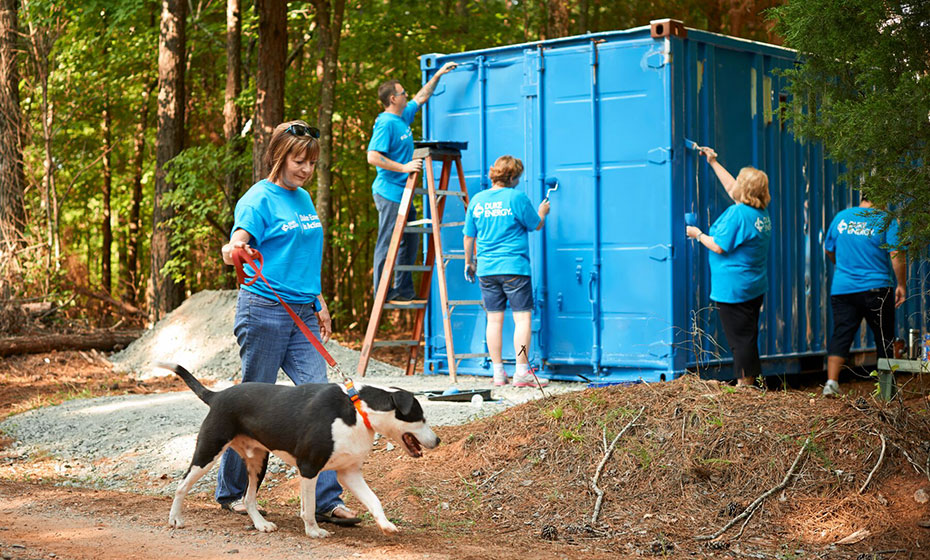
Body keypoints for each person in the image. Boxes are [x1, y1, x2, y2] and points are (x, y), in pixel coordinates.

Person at [218, 120, 359, 526]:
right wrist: (235, 249)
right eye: (299, 161)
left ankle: (326, 500)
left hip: (303, 313)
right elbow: (237, 245)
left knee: (325, 401)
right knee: (248, 406)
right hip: (263, 311)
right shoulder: (258, 199)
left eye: (311, 163)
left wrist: (319, 300)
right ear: (279, 156)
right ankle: (232, 492)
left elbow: (306, 259)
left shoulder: (304, 199)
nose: (305, 170)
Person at [366, 61, 457, 301]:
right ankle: (382, 292)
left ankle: (403, 289)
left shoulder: (402, 116)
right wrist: (403, 166)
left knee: (410, 240)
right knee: (388, 242)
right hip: (389, 193)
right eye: (403, 93)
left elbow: (421, 96)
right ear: (393, 99)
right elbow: (373, 156)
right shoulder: (386, 123)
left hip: (404, 192)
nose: (407, 95)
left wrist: (437, 75)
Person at [686, 147, 772, 388]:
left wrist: (698, 234)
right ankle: (751, 382)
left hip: (734, 289)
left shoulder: (738, 214)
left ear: (745, 189)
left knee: (739, 338)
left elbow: (720, 246)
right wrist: (713, 162)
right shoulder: (758, 213)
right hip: (752, 286)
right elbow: (732, 189)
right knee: (748, 335)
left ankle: (745, 385)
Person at [463, 155, 550, 388]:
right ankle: (522, 371)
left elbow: (469, 236)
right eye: (518, 177)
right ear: (511, 177)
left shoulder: (478, 200)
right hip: (514, 268)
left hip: (486, 269)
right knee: (522, 319)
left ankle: (498, 373)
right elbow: (535, 224)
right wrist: (542, 211)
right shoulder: (516, 198)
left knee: (494, 320)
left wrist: (469, 262)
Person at [822, 197, 906, 396]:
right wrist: (901, 284)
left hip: (843, 288)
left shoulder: (841, 218)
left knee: (841, 333)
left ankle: (831, 383)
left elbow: (828, 249)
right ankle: (886, 390)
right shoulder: (886, 218)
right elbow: (896, 254)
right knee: (884, 336)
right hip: (876, 287)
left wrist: (843, 267)